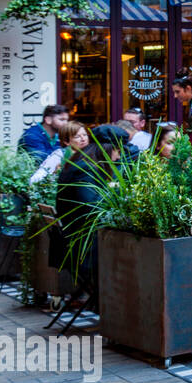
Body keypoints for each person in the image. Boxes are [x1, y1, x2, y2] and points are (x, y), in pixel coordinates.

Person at [55, 125, 128, 312]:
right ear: (107, 149)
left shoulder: (80, 162)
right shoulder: (86, 170)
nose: (119, 157)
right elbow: (92, 208)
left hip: (76, 240)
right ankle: (117, 309)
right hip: (86, 247)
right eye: (118, 150)